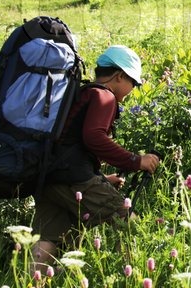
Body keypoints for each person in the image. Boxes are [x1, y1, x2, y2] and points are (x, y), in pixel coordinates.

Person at [31, 45, 160, 272]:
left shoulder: (81, 93)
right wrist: (134, 161)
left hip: (48, 178)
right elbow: (93, 137)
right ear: (120, 76)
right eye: (133, 83)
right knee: (127, 220)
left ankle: (29, 283)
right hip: (74, 178)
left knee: (48, 238)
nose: (132, 89)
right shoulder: (104, 96)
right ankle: (130, 278)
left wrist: (100, 178)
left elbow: (71, 144)